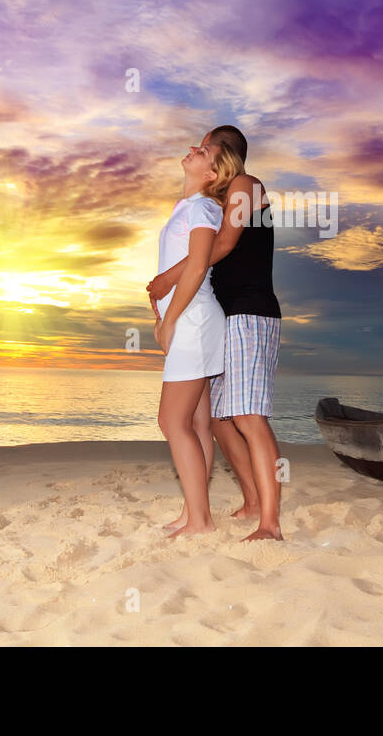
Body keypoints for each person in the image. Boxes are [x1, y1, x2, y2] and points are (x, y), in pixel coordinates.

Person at [148, 125, 284, 541]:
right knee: (221, 421)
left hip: (250, 310)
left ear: (224, 151)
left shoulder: (247, 184)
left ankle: (270, 524)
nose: (197, 147)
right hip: (225, 314)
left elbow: (221, 246)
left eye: (206, 144)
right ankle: (253, 500)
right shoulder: (212, 200)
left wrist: (167, 279)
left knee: (247, 416)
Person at [151, 138, 243, 537]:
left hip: (194, 322)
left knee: (171, 421)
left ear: (210, 175)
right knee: (198, 423)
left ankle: (201, 521)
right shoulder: (187, 208)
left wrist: (169, 319)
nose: (193, 147)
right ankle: (194, 512)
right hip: (193, 321)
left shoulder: (204, 207)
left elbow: (197, 266)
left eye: (203, 152)